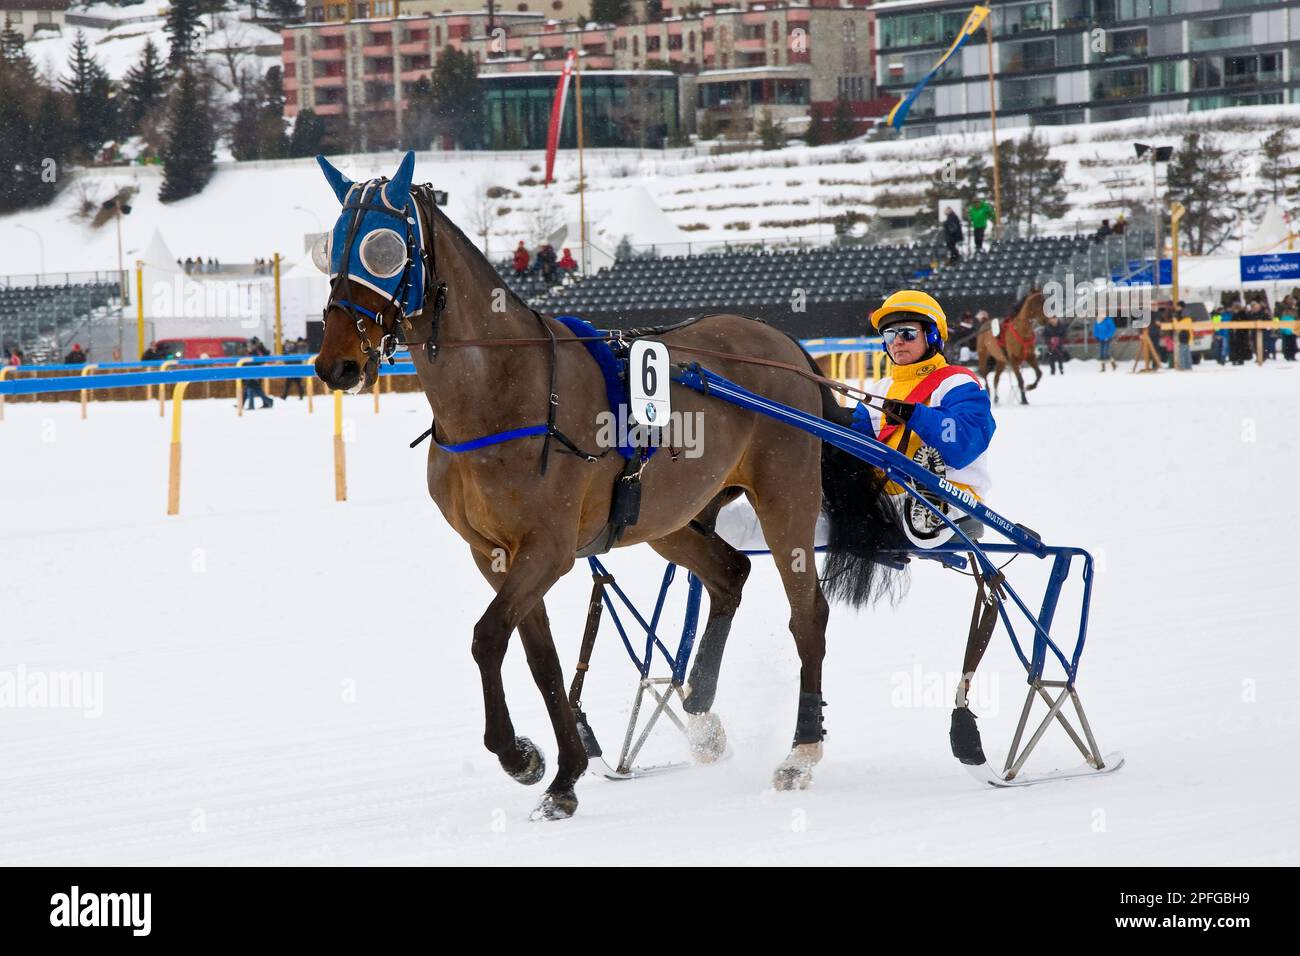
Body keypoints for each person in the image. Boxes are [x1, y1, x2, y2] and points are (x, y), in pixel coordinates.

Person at [851, 290, 995, 547]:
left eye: (907, 333)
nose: (897, 341)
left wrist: (916, 415)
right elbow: (856, 449)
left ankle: (928, 499)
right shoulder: (877, 391)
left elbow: (963, 444)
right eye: (890, 335)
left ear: (931, 335)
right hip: (884, 503)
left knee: (922, 526)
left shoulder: (957, 381)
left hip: (955, 496)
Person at [241, 339, 274, 409]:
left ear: (254, 346)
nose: (248, 347)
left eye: (250, 346)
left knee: (251, 388)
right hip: (252, 373)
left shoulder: (257, 352)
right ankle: (267, 401)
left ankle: (249, 405)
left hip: (255, 373)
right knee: (252, 389)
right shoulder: (252, 352)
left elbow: (257, 362)